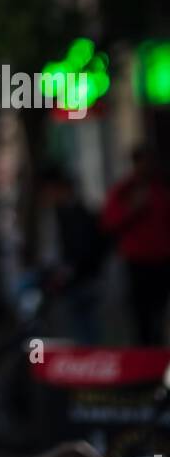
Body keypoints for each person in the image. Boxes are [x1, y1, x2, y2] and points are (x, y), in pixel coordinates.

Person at [101, 146, 170, 345]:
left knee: (160, 309)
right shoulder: (124, 191)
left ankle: (158, 347)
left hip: (162, 258)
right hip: (137, 260)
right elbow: (109, 223)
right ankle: (144, 350)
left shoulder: (161, 189)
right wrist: (133, 209)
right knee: (141, 312)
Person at [38, 166, 107, 343]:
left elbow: (82, 248)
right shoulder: (67, 213)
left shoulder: (75, 214)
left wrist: (67, 271)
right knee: (84, 329)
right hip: (79, 278)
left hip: (80, 280)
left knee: (83, 332)